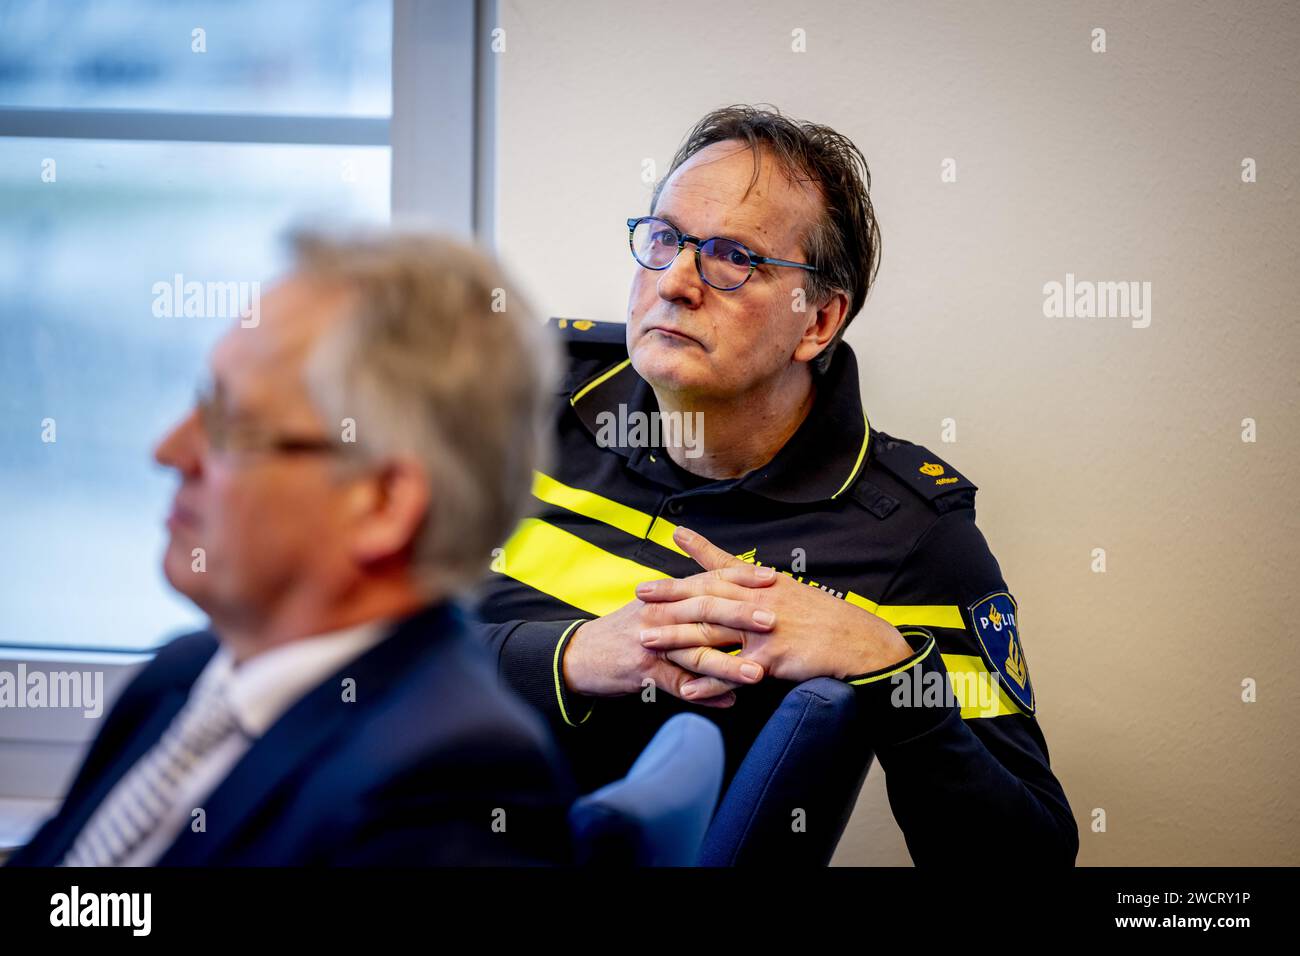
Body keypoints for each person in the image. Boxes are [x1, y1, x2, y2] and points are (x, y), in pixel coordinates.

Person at [471, 105, 1078, 865]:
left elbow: (1031, 858)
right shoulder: (516, 401)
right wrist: (569, 658)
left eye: (732, 257)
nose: (678, 281)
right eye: (663, 238)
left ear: (818, 321)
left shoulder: (911, 535)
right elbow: (343, 662)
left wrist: (890, 668)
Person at [11, 230, 574, 866]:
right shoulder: (185, 673)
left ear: (383, 503)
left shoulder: (446, 784)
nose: (168, 451)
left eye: (232, 426)